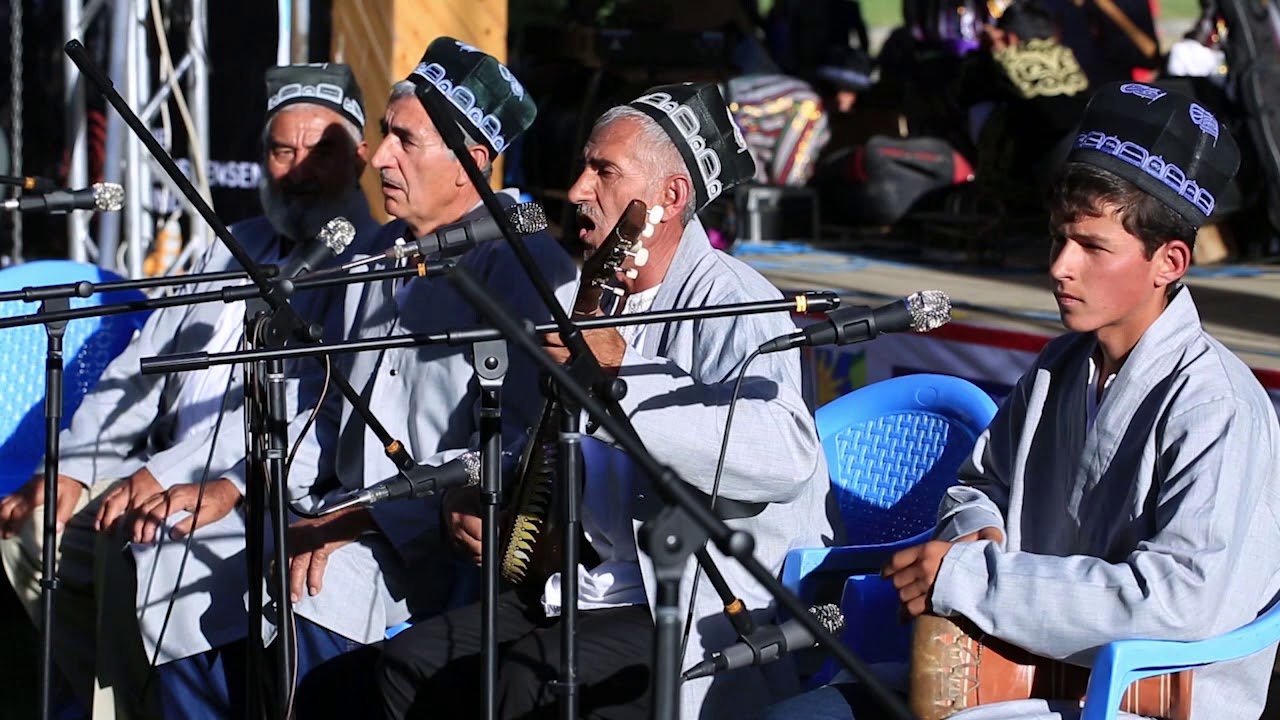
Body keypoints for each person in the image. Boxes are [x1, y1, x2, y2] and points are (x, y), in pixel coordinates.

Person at [764, 81, 1280, 720]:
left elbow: (1180, 600)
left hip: (1132, 696)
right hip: (1012, 664)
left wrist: (971, 579)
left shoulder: (1215, 406)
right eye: (1060, 237)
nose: (1061, 265)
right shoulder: (1059, 366)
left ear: (1168, 261)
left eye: (1092, 246)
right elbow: (977, 484)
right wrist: (975, 529)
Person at [378, 81, 836, 719]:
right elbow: (549, 443)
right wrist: (479, 488)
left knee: (524, 684)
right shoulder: (587, 296)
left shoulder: (735, 299)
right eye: (582, 167)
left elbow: (787, 455)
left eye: (603, 171)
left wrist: (623, 373)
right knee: (405, 669)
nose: (577, 191)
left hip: (693, 598)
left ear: (670, 197)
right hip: (581, 584)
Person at [0, 62, 380, 718]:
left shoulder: (368, 263)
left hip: (263, 485)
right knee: (28, 529)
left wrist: (157, 473)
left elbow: (301, 410)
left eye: (323, 150)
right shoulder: (232, 248)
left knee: (140, 546)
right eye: (282, 150)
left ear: (363, 159)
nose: (300, 169)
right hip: (160, 464)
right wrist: (71, 469)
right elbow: (137, 373)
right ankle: (105, 702)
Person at [278, 37, 577, 716]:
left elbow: (529, 448)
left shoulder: (527, 271)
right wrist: (275, 498)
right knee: (179, 564)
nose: (378, 156)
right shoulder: (373, 252)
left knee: (314, 593)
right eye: (385, 134)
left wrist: (366, 516)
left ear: (472, 163)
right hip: (339, 511)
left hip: (442, 547)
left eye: (404, 141)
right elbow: (328, 409)